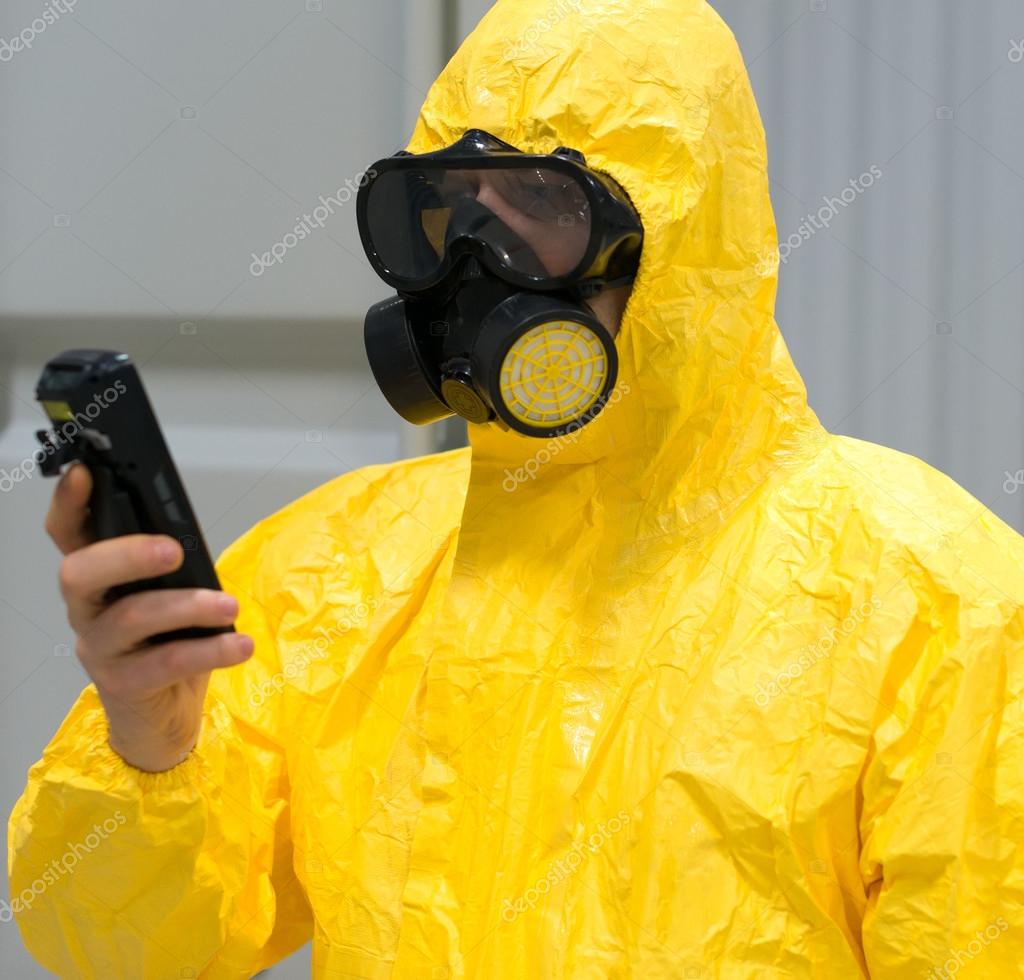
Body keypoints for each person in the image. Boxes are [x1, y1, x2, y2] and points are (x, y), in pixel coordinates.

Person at [8, 0, 1024, 976]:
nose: (474, 264)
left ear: (680, 243)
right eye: (448, 208)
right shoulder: (338, 570)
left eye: (540, 204)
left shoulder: (931, 601)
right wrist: (153, 741)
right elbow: (120, 948)